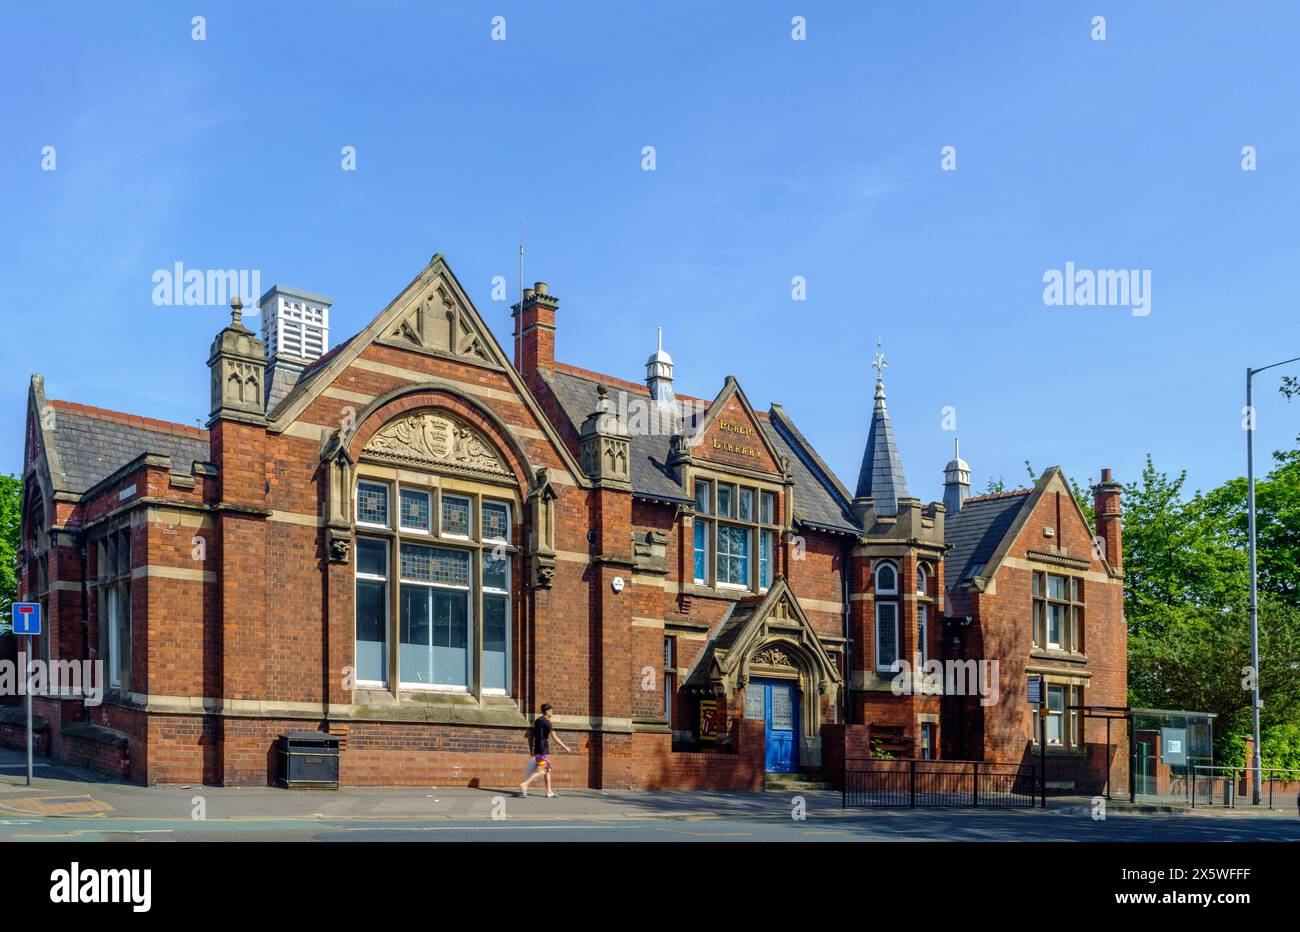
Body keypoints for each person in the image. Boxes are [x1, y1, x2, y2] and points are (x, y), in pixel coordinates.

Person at [519, 703, 570, 798]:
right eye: (551, 710)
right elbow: (555, 737)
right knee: (541, 770)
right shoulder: (547, 722)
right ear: (547, 711)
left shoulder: (537, 721)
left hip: (538, 748)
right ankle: (525, 784)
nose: (552, 712)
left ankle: (549, 792)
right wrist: (565, 747)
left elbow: (528, 735)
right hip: (543, 750)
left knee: (548, 770)